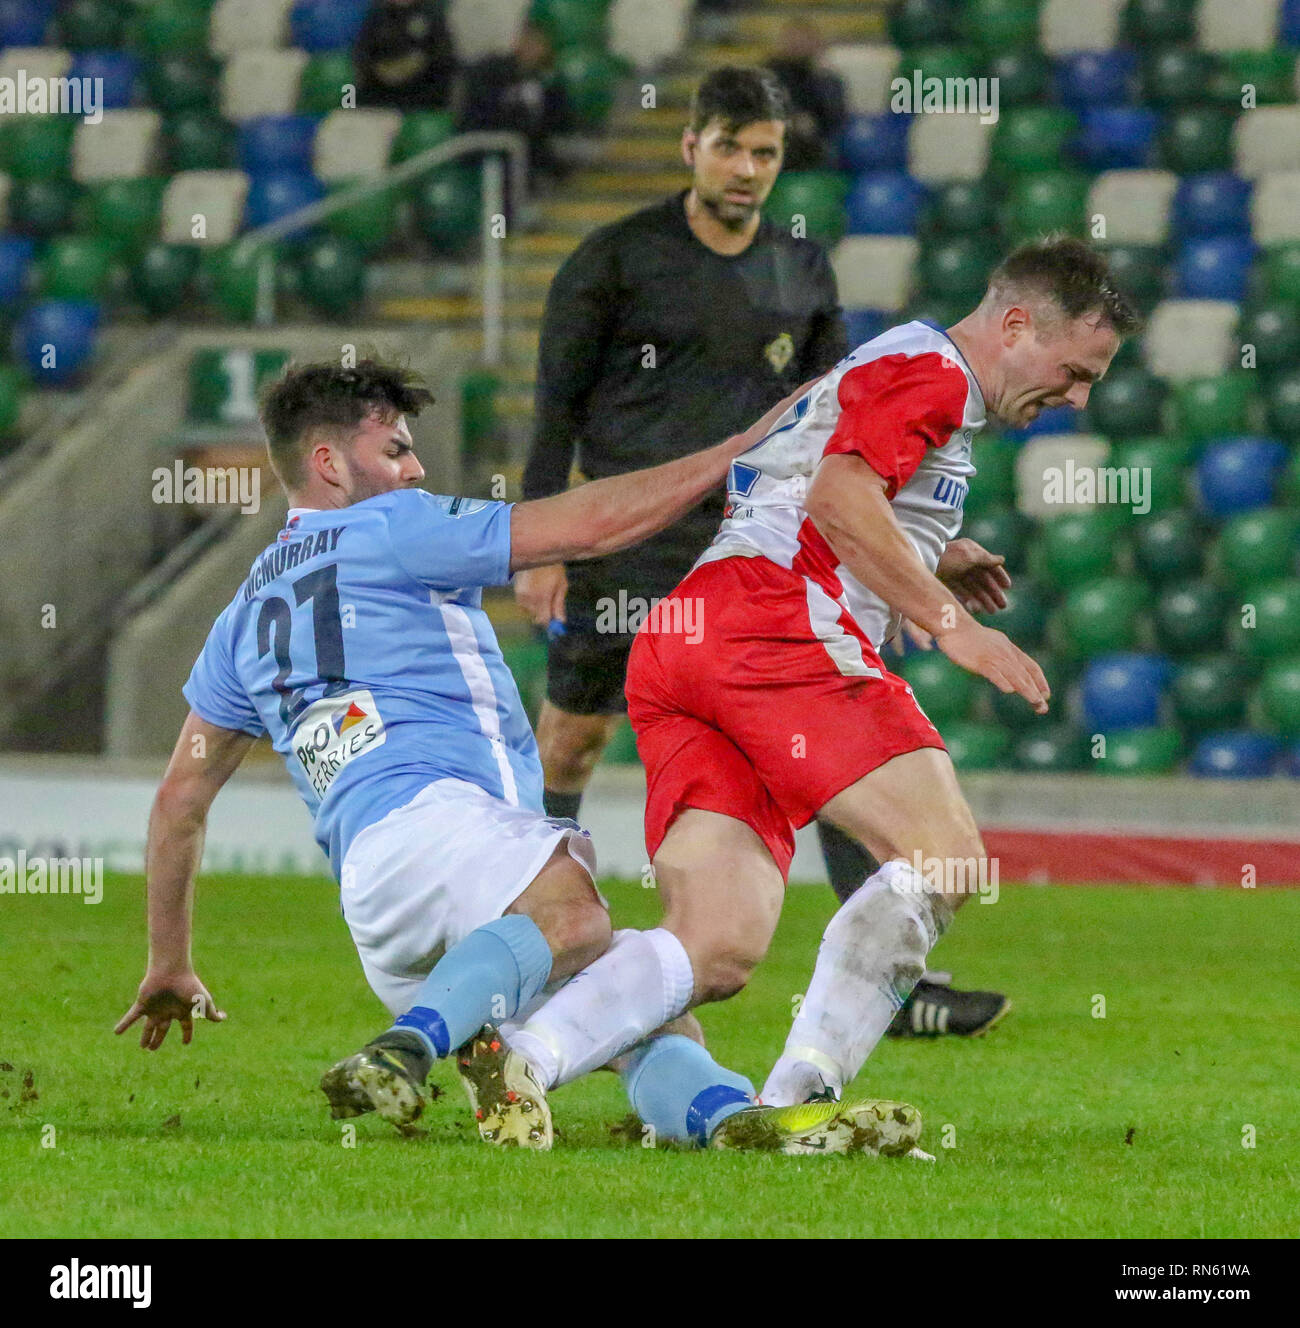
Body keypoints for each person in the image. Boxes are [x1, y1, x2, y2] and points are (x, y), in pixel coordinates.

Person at [112, 358, 921, 1159]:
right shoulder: (395, 524)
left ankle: (736, 1124)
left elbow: (178, 802)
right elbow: (589, 525)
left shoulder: (243, 614)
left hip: (376, 897)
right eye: (394, 448)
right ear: (328, 463)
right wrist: (732, 452)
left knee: (645, 1010)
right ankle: (407, 1048)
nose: (416, 466)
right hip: (442, 825)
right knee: (573, 917)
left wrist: (169, 962)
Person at [519, 62, 997, 1033]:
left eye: (764, 153)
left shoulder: (798, 266)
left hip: (755, 545)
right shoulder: (613, 260)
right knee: (574, 731)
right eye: (729, 147)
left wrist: (921, 541)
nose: (746, 168)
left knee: (816, 743)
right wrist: (539, 541)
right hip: (633, 533)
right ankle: (538, 923)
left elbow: (844, 420)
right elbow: (554, 407)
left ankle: (888, 986)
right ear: (690, 145)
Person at [618, 236, 1142, 1108]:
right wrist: (953, 625)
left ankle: (519, 1031)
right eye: (1076, 371)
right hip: (772, 630)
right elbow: (836, 495)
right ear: (1014, 324)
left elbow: (795, 480)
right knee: (947, 860)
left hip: (697, 632)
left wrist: (928, 555)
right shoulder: (933, 370)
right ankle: (799, 1100)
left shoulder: (901, 361)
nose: (1079, 397)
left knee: (714, 948)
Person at [458, 22, 572, 187]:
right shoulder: (492, 71)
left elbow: (560, 123)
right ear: (518, 42)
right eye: (528, 42)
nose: (532, 49)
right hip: (489, 150)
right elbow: (480, 113)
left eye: (538, 44)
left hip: (528, 155)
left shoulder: (549, 82)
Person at [764, 19, 847, 171]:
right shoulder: (769, 74)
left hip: (819, 139)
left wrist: (821, 76)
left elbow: (837, 116)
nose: (799, 45)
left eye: (805, 40)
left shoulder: (827, 78)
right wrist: (793, 119)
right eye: (793, 39)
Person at [354, 0, 458, 112]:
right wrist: (383, 71)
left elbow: (445, 58)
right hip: (379, 98)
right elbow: (362, 55)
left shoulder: (431, 13)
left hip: (422, 99)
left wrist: (415, 65)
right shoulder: (377, 14)